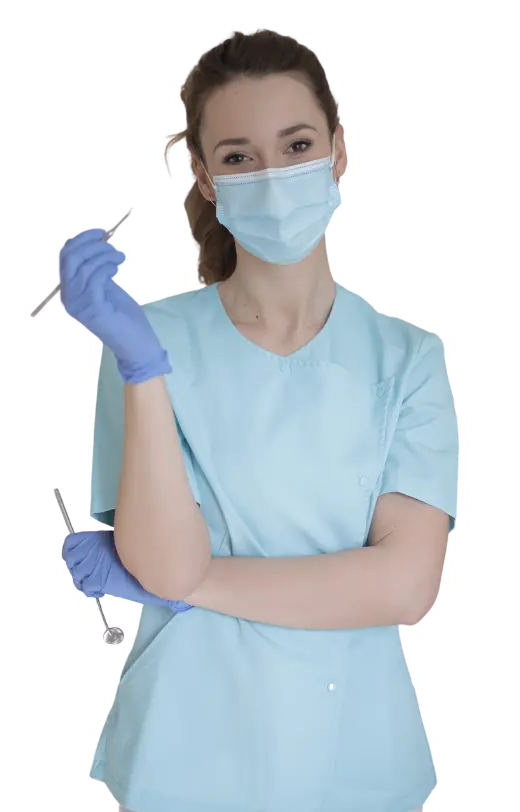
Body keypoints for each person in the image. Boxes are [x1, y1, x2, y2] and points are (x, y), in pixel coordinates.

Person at [60, 29, 458, 812]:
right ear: (205, 178)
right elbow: (165, 564)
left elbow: (404, 587)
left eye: (297, 145)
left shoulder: (407, 357)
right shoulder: (142, 341)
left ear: (340, 152)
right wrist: (143, 369)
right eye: (239, 156)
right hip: (184, 756)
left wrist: (194, 584)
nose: (273, 177)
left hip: (356, 760)